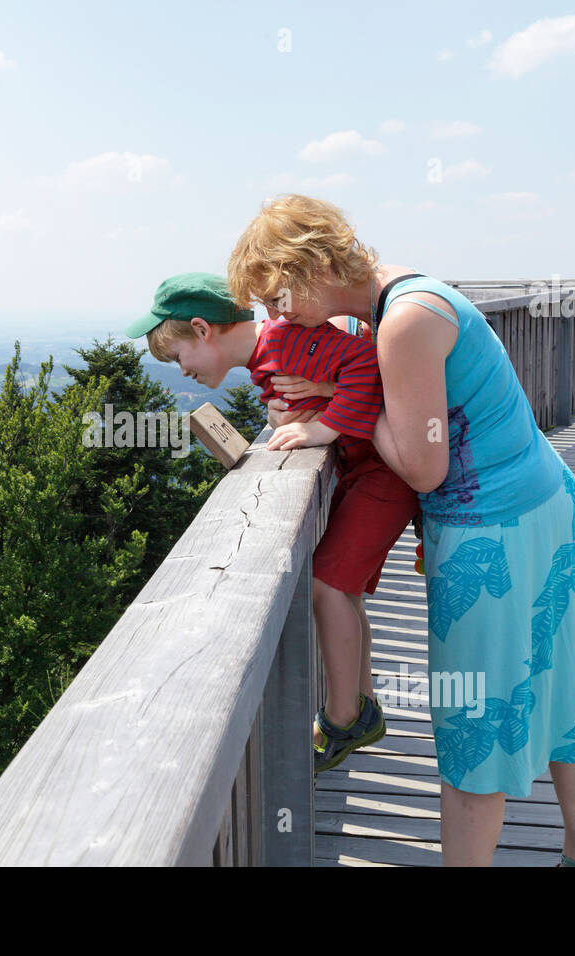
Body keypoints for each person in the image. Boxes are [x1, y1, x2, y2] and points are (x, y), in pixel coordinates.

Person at [227, 195, 575, 867]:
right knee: (566, 700)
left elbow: (424, 470)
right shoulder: (402, 290)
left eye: (278, 296)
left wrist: (334, 405)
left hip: (491, 530)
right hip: (546, 500)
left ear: (312, 267)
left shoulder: (401, 323)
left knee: (473, 738)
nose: (276, 316)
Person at [126, 272, 421, 774]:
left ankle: (341, 717)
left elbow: (369, 364)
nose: (183, 372)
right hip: (370, 473)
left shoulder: (282, 343)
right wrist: (290, 412)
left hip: (383, 475)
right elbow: (325, 385)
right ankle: (362, 706)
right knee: (342, 590)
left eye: (179, 357)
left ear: (203, 329)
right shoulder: (273, 352)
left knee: (326, 585)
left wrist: (320, 426)